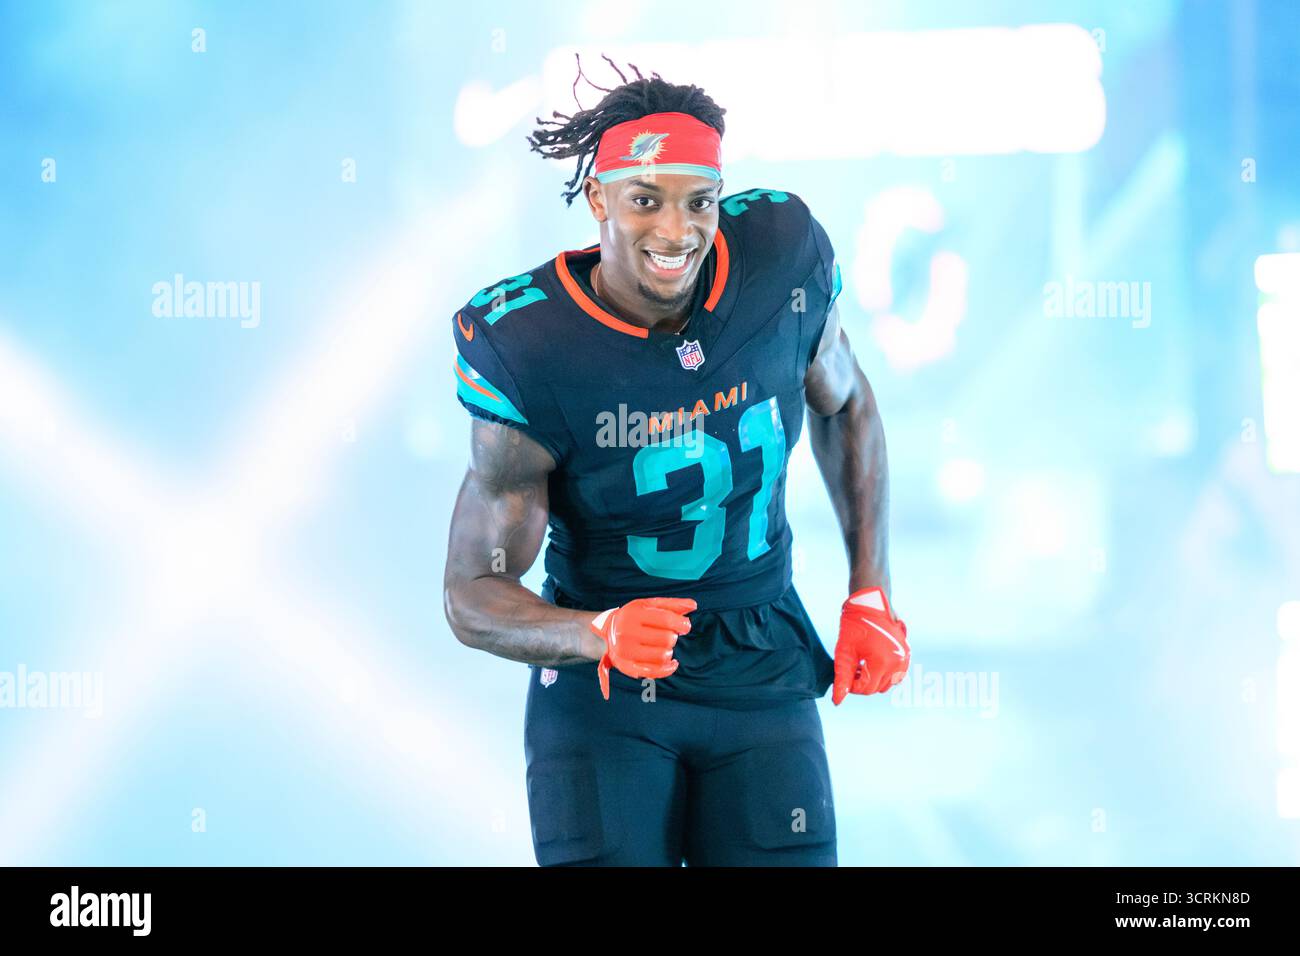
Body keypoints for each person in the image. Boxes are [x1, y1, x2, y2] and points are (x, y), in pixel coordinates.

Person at [443, 60, 908, 866]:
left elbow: (849, 404)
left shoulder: (780, 257)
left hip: (760, 658)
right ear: (598, 201)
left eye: (699, 201)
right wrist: (595, 632)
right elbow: (471, 593)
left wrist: (870, 590)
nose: (676, 229)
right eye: (645, 199)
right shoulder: (530, 344)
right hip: (607, 691)